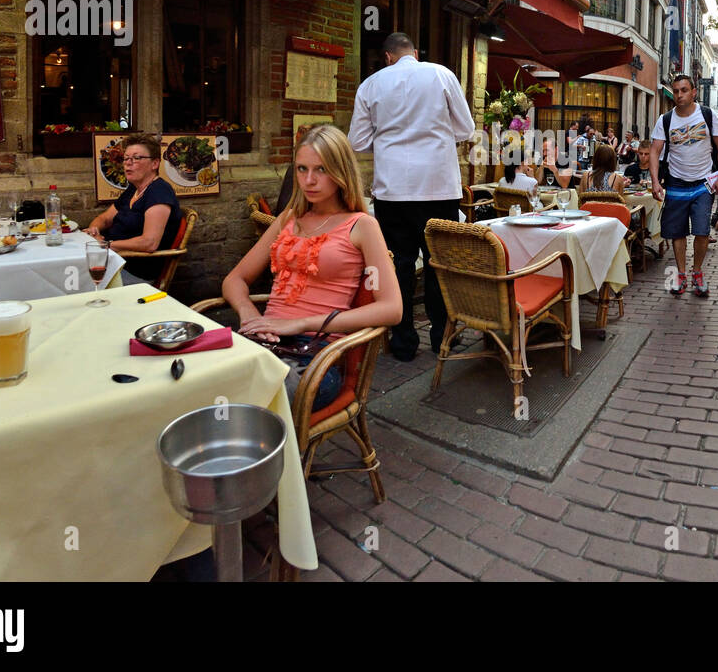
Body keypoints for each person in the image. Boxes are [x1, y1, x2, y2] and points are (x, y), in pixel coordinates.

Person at [223, 125, 401, 408]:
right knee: (197, 380)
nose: (309, 181)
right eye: (302, 169)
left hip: (314, 356)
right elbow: (235, 279)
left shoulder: (361, 225)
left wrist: (300, 323)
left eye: (321, 170)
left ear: (341, 172)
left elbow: (391, 308)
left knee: (243, 398)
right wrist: (248, 316)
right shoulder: (289, 219)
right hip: (263, 342)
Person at [348, 32, 475, 362]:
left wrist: (391, 138)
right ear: (414, 53)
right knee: (438, 263)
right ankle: (440, 337)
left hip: (393, 189)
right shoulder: (441, 74)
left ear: (387, 57)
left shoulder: (371, 85)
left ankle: (403, 343)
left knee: (399, 265)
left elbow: (358, 141)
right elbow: (465, 129)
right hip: (438, 186)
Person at [650, 74, 718, 297]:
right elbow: (655, 151)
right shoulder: (665, 120)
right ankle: (681, 275)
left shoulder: (708, 115)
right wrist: (655, 181)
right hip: (675, 182)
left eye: (684, 90)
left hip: (703, 183)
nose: (679, 95)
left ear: (694, 92)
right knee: (678, 232)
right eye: (676, 91)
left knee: (702, 231)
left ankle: (698, 272)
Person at [86, 133, 183, 283]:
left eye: (137, 158)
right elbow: (105, 218)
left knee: (76, 280)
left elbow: (149, 242)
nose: (128, 163)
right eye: (126, 158)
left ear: (155, 164)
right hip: (113, 261)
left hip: (136, 272)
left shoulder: (159, 192)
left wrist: (107, 245)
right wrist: (94, 231)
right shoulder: (134, 189)